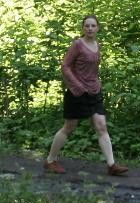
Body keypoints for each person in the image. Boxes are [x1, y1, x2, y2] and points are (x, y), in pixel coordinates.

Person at [44, 14, 129, 176]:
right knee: (69, 127)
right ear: (83, 28)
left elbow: (93, 69)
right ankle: (50, 160)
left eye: (93, 26)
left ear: (98, 28)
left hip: (94, 91)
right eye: (87, 26)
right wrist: (77, 85)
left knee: (101, 126)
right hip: (77, 92)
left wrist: (96, 81)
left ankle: (112, 165)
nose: (90, 28)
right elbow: (65, 66)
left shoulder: (97, 44)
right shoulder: (78, 44)